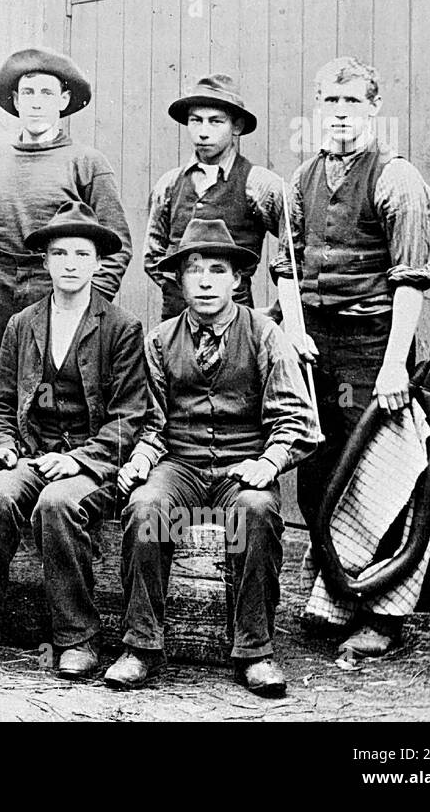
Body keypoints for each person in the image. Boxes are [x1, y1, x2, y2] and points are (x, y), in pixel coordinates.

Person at [0, 202, 146, 677]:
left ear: (97, 262)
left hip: (93, 465)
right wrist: (4, 444)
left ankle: (78, 637)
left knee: (57, 503)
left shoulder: (121, 328)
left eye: (81, 254)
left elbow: (128, 419)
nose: (70, 263)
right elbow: (0, 402)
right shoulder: (22, 324)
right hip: (33, 453)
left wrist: (82, 461)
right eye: (59, 253)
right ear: (45, 262)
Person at [108, 219, 318, 697]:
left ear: (238, 280)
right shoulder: (160, 340)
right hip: (179, 467)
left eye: (217, 270)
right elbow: (152, 423)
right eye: (193, 270)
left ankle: (255, 651)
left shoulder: (265, 336)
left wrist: (268, 464)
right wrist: (141, 460)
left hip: (241, 466)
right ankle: (141, 645)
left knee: (258, 511)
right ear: (178, 281)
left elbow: (296, 419)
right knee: (146, 510)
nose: (204, 281)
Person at [277, 56, 430, 656]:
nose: (340, 115)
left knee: (380, 473)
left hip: (374, 342)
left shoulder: (396, 178)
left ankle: (384, 615)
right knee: (320, 469)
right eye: (329, 104)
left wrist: (395, 364)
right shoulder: (301, 179)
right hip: (317, 342)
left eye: (352, 104)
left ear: (373, 109)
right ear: (318, 108)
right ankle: (336, 596)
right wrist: (293, 326)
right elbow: (286, 266)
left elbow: (411, 282)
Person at [0, 47, 131, 365]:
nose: (37, 102)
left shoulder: (87, 162)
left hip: (60, 302)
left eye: (46, 92)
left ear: (63, 101)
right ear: (15, 101)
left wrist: (86, 305)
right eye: (27, 92)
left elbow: (118, 245)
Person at [144, 74, 287, 320]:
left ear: (237, 127)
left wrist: (277, 311)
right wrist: (182, 289)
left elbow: (296, 250)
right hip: (176, 322)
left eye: (215, 122)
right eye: (196, 121)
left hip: (236, 323)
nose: (203, 132)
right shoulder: (168, 184)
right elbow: (153, 257)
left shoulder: (258, 183)